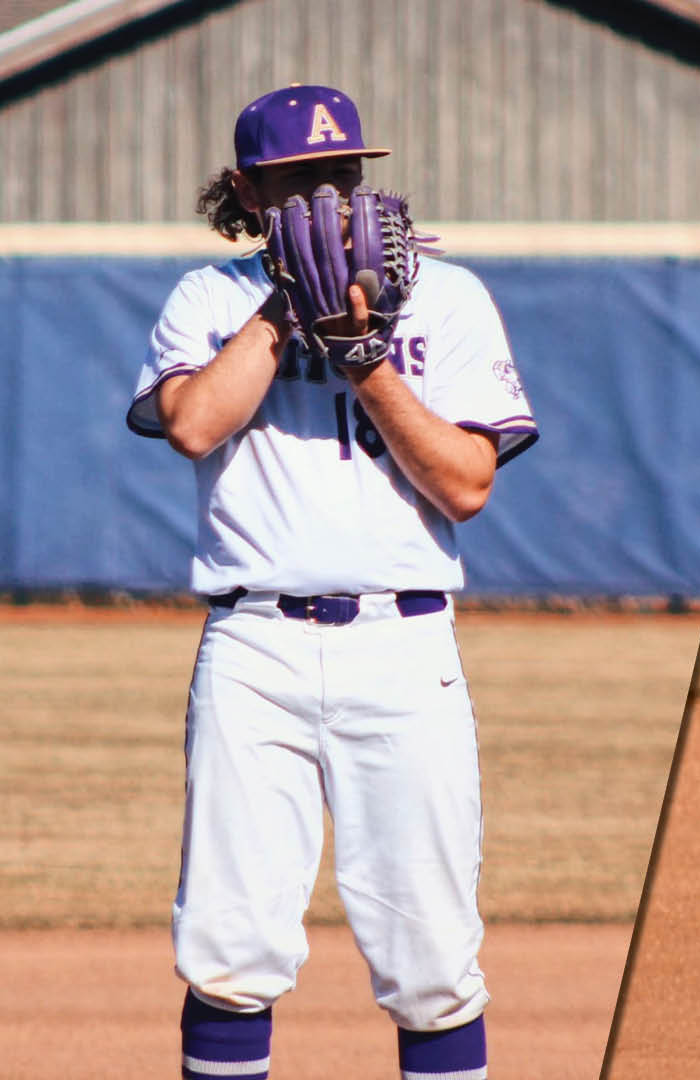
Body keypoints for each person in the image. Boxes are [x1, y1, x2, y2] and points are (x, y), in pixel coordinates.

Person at [126, 84, 538, 1080]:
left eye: (344, 174)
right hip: (255, 645)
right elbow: (192, 425)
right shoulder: (209, 298)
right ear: (250, 192)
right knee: (229, 948)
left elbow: (467, 484)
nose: (331, 195)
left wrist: (364, 359)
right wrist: (285, 304)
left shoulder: (449, 297)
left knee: (433, 956)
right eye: (303, 180)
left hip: (405, 646)